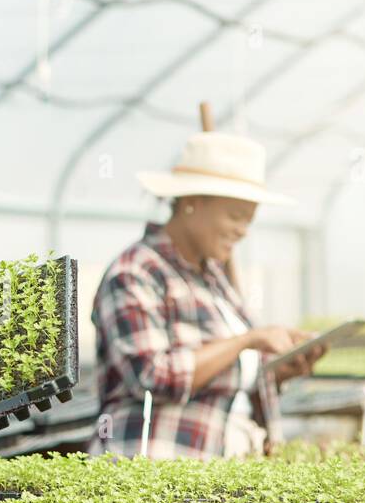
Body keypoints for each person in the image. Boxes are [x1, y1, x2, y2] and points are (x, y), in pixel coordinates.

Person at [89, 123, 326, 461]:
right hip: (152, 471)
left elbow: (224, 380)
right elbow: (153, 378)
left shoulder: (212, 277)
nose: (243, 231)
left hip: (213, 469)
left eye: (250, 220)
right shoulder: (135, 273)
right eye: (235, 216)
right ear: (192, 203)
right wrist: (249, 339)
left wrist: (280, 370)